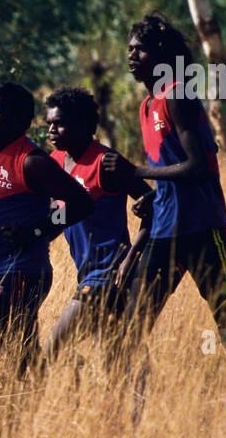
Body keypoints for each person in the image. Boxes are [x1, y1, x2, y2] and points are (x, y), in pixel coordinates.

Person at [102, 12, 226, 349]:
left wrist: (136, 173)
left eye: (140, 50)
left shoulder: (178, 95)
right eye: (130, 50)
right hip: (165, 232)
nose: (131, 56)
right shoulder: (147, 106)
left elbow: (197, 168)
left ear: (162, 56)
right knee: (129, 335)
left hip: (203, 229)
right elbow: (172, 171)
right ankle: (132, 402)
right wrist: (152, 199)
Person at [0, 81, 94, 373]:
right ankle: (66, 380)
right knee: (22, 357)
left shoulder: (32, 162)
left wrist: (37, 232)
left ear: (21, 120)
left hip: (22, 272)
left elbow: (82, 204)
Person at [42, 86, 153, 358]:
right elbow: (59, 215)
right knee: (120, 358)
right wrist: (35, 236)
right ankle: (138, 400)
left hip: (108, 274)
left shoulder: (105, 162)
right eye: (49, 124)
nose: (52, 131)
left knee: (51, 352)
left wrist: (131, 258)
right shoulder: (55, 162)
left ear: (84, 124)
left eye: (60, 124)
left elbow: (154, 205)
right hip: (87, 273)